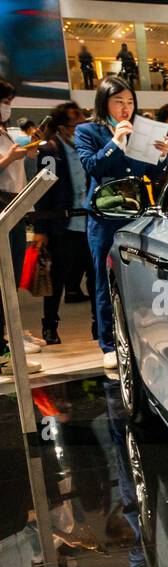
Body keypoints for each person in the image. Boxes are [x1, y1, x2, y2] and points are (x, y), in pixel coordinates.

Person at [74, 75, 168, 369]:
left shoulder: (142, 130)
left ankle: (141, 335)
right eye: (119, 101)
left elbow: (152, 176)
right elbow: (93, 166)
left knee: (141, 277)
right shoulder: (87, 130)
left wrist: (163, 157)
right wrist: (116, 141)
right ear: (105, 102)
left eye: (130, 102)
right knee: (105, 280)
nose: (125, 107)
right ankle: (108, 342)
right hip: (104, 216)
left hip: (137, 213)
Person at [31, 102, 93, 346]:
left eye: (81, 123)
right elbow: (42, 191)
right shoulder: (50, 150)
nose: (77, 129)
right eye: (72, 125)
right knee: (57, 279)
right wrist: (41, 228)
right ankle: (49, 325)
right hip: (62, 224)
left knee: (95, 277)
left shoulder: (86, 147)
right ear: (61, 127)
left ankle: (99, 326)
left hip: (88, 222)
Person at [0, 78, 44, 373]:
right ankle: (5, 354)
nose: (7, 107)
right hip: (2, 206)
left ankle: (8, 338)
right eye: (4, 101)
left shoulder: (4, 130)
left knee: (10, 276)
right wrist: (9, 157)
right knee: (2, 277)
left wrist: (23, 155)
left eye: (9, 102)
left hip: (14, 204)